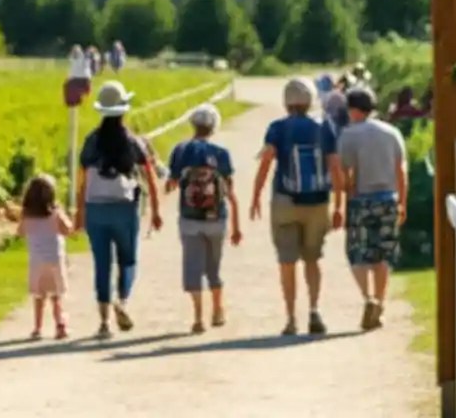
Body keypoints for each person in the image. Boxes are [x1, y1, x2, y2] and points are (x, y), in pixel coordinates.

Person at [250, 77, 346, 336]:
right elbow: (335, 166)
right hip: (317, 201)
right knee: (313, 260)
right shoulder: (324, 126)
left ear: (286, 101)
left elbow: (267, 160)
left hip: (285, 200)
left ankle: (291, 318)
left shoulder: (277, 128)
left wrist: (256, 195)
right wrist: (339, 205)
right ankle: (314, 310)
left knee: (287, 262)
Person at [73, 81, 164, 338]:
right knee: (127, 260)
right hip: (125, 207)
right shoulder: (132, 141)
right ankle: (121, 302)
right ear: (124, 109)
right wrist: (156, 211)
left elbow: (82, 180)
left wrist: (80, 212)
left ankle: (103, 323)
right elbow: (149, 175)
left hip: (96, 208)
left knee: (102, 264)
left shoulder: (91, 141)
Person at [165, 103, 242, 333]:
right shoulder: (221, 154)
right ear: (214, 127)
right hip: (217, 219)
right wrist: (237, 226)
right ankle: (218, 309)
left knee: (192, 267)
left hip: (189, 220)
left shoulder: (181, 150)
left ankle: (198, 317)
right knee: (213, 268)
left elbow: (172, 184)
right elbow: (230, 192)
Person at [337, 86, 407, 331]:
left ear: (354, 110)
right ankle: (380, 301)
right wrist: (403, 201)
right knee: (383, 253)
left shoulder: (349, 135)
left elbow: (344, 172)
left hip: (361, 199)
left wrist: (346, 192)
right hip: (389, 198)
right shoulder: (392, 133)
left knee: (357, 252)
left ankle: (368, 299)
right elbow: (401, 170)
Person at [18, 175, 73, 340]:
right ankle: (60, 325)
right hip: (55, 259)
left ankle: (37, 328)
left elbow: (20, 232)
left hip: (36, 261)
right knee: (56, 296)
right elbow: (67, 229)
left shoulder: (27, 216)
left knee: (39, 296)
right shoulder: (55, 213)